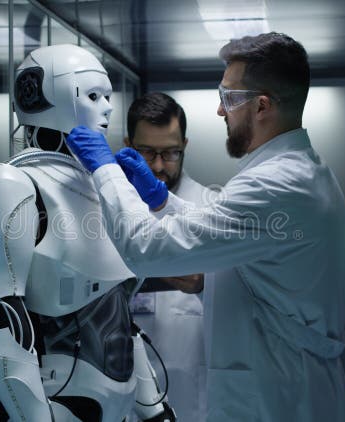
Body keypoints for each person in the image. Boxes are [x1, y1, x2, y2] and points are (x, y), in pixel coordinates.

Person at [65, 32, 345, 421]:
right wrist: (163, 202)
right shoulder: (298, 173)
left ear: (262, 106)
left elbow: (144, 249)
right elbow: (217, 232)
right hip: (281, 389)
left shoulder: (276, 185)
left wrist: (106, 170)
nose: (221, 110)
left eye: (229, 98)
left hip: (279, 400)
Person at [0, 44, 175, 421]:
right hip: (54, 403)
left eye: (108, 96)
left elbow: (120, 318)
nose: (108, 108)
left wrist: (153, 408)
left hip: (117, 403)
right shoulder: (10, 184)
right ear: (49, 96)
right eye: (94, 96)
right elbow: (2, 326)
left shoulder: (105, 189)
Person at [124, 92, 212, 422]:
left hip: (189, 397)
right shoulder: (109, 213)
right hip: (123, 394)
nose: (159, 165)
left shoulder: (212, 208)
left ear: (185, 145)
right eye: (147, 152)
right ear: (127, 145)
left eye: (170, 153)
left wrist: (204, 283)